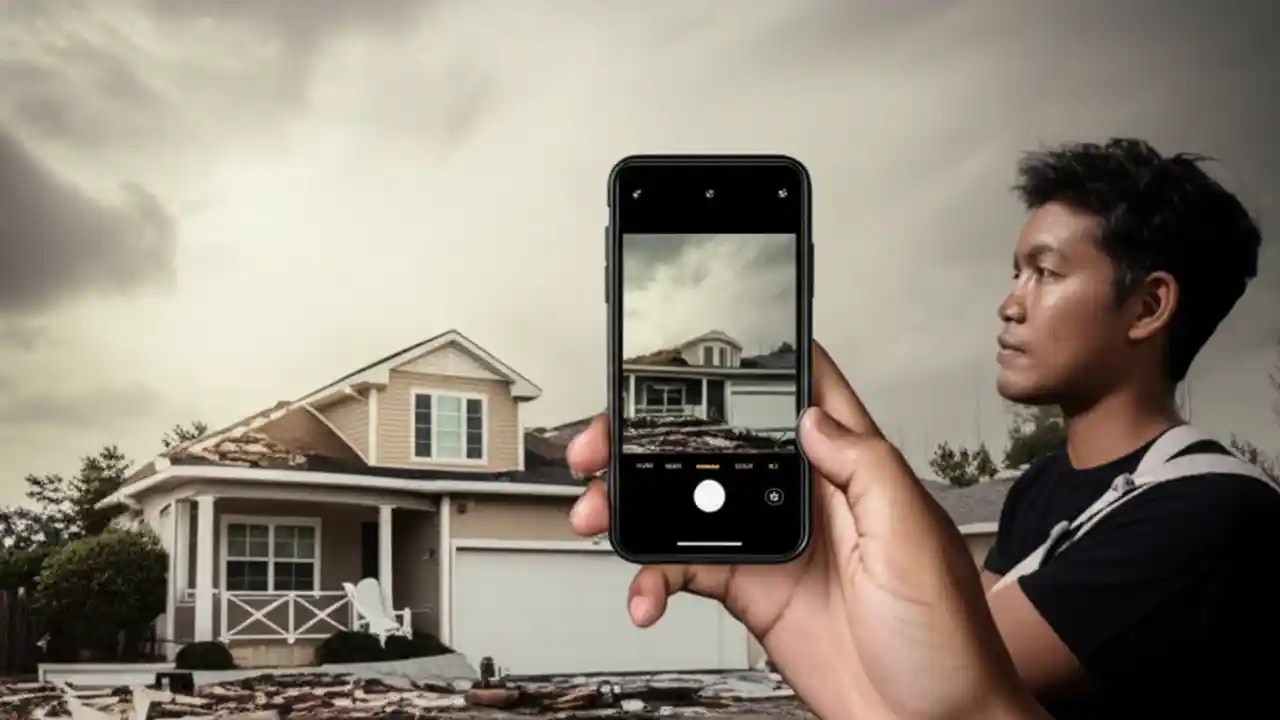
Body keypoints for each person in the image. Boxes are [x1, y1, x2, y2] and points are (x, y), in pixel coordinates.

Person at [565, 138, 1279, 718]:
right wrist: (813, 607)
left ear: (1149, 306)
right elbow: (924, 675)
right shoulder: (1040, 487)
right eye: (1013, 272)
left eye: (1045, 273)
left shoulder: (1212, 514)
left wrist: (839, 571)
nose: (1010, 303)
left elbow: (952, 668)